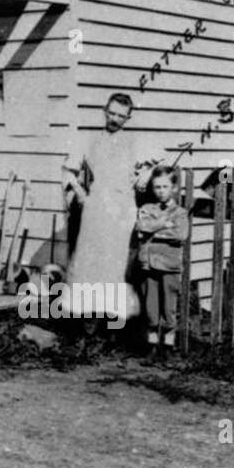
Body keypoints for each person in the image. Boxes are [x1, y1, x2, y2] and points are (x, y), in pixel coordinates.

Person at [62, 92, 154, 322]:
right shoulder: (89, 139)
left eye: (121, 116)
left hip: (123, 206)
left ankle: (113, 318)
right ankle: (86, 317)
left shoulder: (135, 141)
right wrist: (81, 194)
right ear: (104, 112)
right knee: (91, 258)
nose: (114, 119)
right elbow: (68, 171)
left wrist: (146, 173)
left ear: (128, 118)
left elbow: (158, 163)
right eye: (111, 113)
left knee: (117, 260)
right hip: (98, 204)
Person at [134, 166, 190, 346]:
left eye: (165, 187)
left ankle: (168, 344)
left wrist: (154, 231)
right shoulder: (146, 208)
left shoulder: (180, 213)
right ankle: (151, 343)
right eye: (157, 187)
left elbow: (180, 235)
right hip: (148, 264)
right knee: (150, 306)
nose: (161, 191)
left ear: (173, 188)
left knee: (169, 306)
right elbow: (141, 227)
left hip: (170, 264)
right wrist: (165, 225)